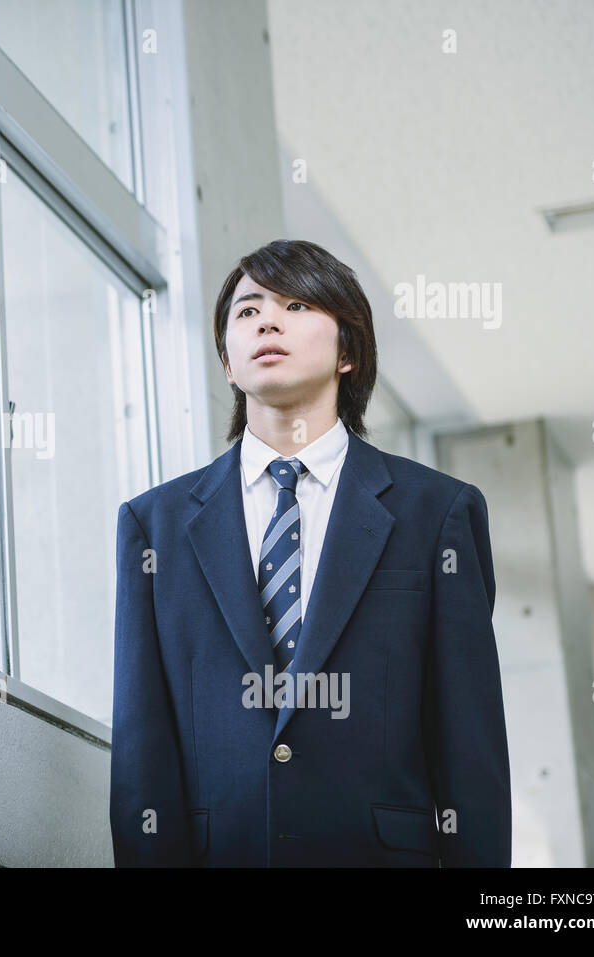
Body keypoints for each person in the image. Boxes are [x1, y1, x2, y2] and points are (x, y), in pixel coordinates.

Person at [109, 239, 511, 866]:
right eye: (247, 311)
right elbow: (142, 744)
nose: (266, 322)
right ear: (227, 363)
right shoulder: (153, 526)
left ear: (349, 352)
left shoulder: (437, 513)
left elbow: (471, 745)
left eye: (296, 305)